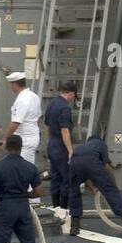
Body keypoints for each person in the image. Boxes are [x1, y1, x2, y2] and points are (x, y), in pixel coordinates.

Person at [68, 134, 122, 239]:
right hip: (92, 163)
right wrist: (113, 185)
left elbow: (85, 176)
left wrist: (93, 188)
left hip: (74, 164)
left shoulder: (80, 147)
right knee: (110, 190)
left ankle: (74, 225)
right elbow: (107, 167)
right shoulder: (101, 144)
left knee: (74, 192)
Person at [43, 80, 77, 222]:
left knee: (55, 177)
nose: (73, 98)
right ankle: (63, 209)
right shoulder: (65, 108)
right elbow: (65, 130)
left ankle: (56, 207)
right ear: (70, 94)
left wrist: (49, 144)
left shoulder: (51, 104)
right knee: (66, 178)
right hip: (61, 146)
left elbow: (47, 127)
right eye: (74, 96)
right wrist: (70, 150)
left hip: (52, 144)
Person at [5, 72, 41, 165]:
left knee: (24, 168)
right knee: (27, 166)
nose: (11, 87)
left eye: (11, 84)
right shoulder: (34, 96)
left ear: (15, 84)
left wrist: (5, 138)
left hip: (25, 140)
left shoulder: (22, 99)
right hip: (31, 137)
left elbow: (16, 122)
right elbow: (37, 118)